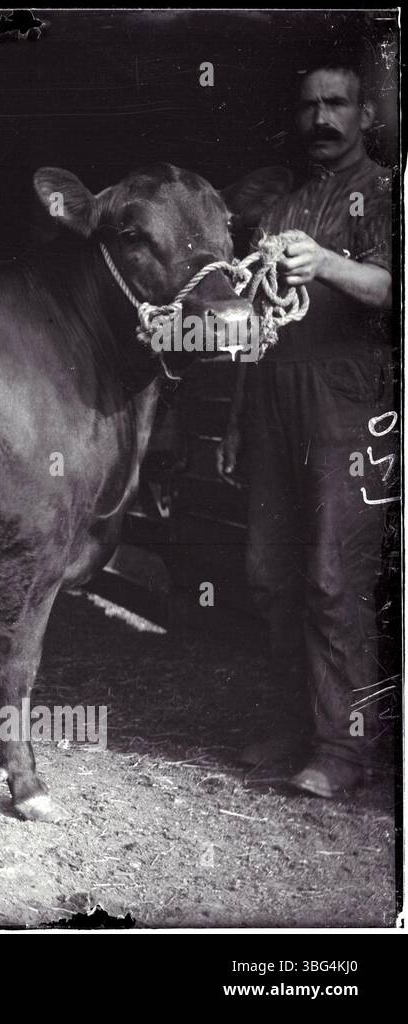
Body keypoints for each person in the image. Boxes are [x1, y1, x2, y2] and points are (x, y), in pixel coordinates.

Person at [217, 57, 394, 798]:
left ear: (366, 117)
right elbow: (254, 321)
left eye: (337, 104)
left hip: (348, 407)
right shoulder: (283, 207)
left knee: (331, 575)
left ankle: (344, 748)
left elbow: (390, 288)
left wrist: (325, 262)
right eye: (308, 106)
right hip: (274, 400)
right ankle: (298, 727)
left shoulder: (387, 194)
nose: (320, 118)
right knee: (270, 572)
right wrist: (233, 420)